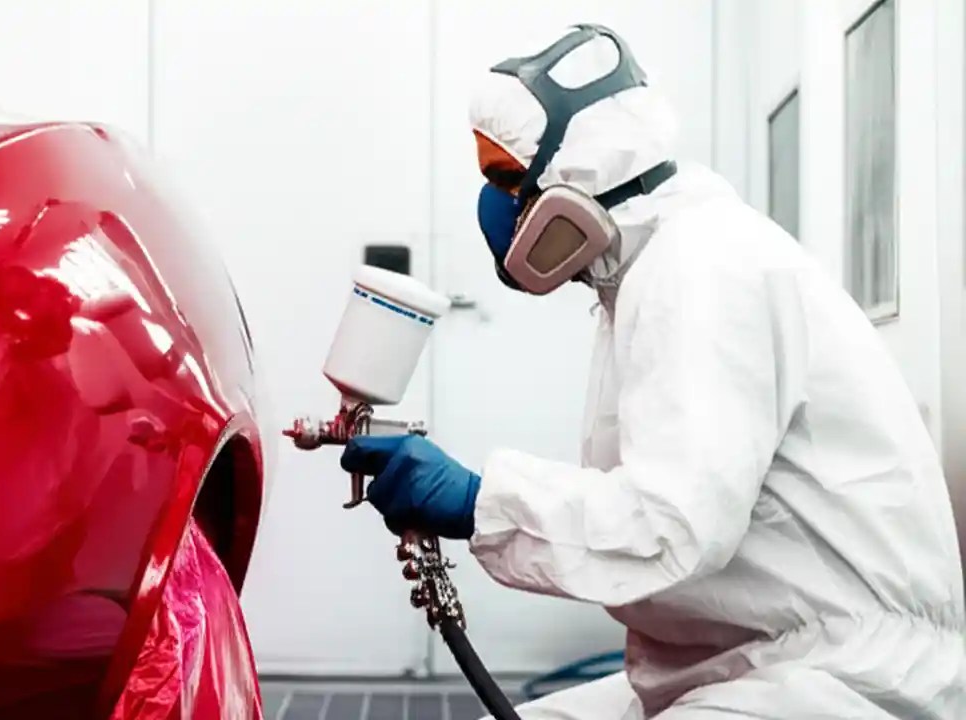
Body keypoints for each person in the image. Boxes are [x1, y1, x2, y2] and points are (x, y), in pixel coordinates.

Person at [342, 23, 966, 719]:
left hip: (842, 675)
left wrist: (478, 501)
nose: (494, 206)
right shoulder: (648, 271)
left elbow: (669, 524)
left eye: (506, 180)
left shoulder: (703, 268)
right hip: (737, 659)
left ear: (575, 174)